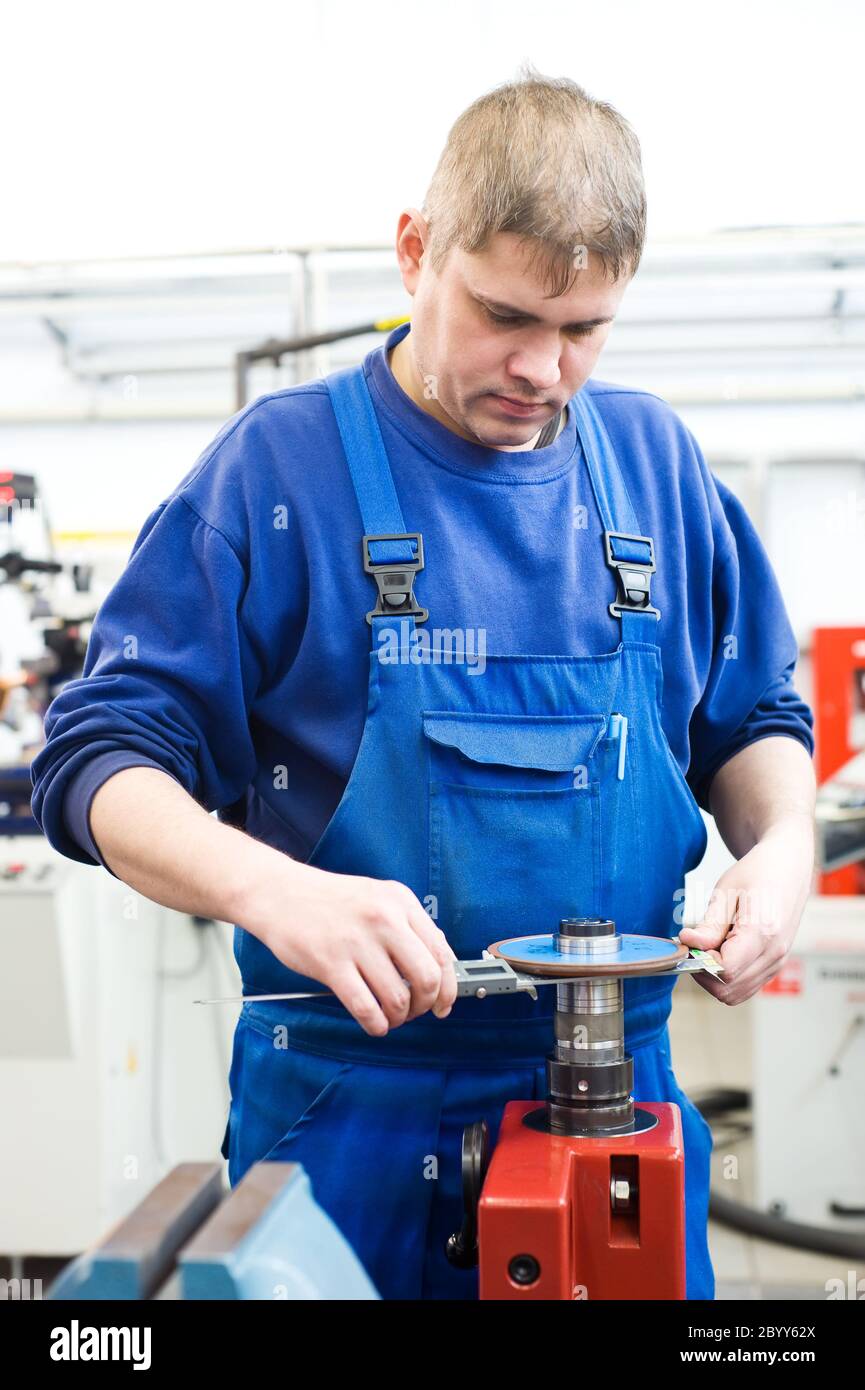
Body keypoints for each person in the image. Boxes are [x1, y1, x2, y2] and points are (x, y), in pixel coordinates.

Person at [31, 69, 816, 1301]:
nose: (546, 368)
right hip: (353, 1117)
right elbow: (100, 758)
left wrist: (780, 853)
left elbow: (754, 719)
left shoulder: (656, 464)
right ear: (414, 251)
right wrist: (277, 890)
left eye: (585, 329)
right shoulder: (276, 472)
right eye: (505, 314)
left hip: (623, 1123)